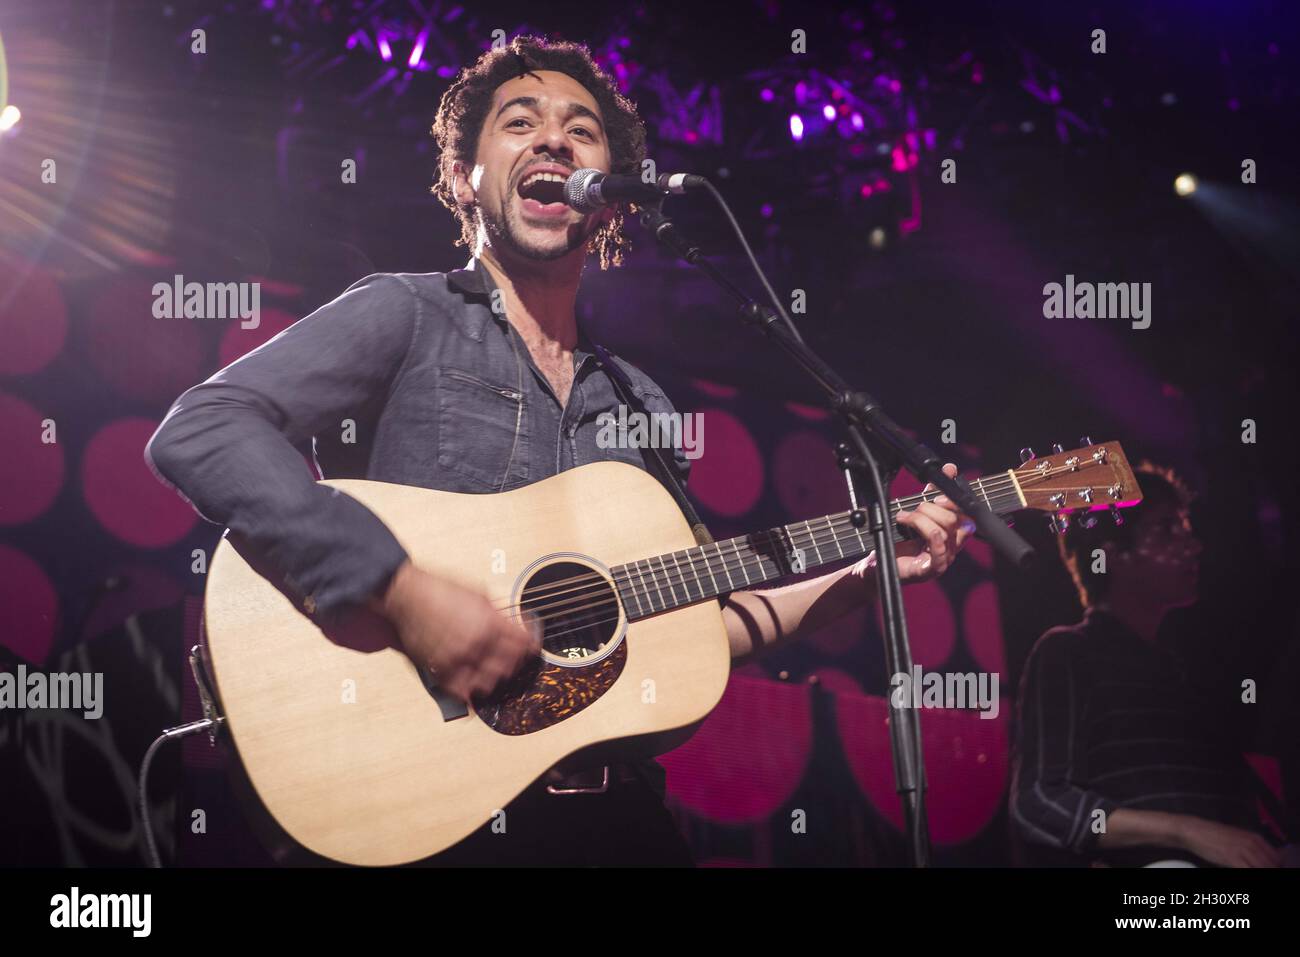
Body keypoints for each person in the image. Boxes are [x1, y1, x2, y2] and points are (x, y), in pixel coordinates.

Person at [146, 35, 969, 866]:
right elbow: (203, 429)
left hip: (616, 823)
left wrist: (862, 576)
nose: (553, 139)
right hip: (438, 810)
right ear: (466, 177)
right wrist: (402, 594)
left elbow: (695, 623)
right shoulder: (404, 314)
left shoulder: (641, 402)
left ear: (608, 198)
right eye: (520, 122)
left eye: (581, 130)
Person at [1010, 462, 1283, 867]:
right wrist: (1186, 831)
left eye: (1186, 528)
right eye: (1166, 530)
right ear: (1113, 554)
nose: (1194, 546)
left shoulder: (1188, 668)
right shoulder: (1067, 651)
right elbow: (1041, 800)